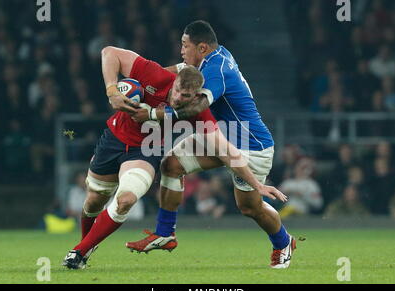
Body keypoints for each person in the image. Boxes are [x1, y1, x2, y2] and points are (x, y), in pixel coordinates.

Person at [62, 46, 287, 269]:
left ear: (197, 96)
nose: (178, 98)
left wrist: (258, 184)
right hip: (112, 141)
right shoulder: (155, 74)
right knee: (95, 200)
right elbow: (109, 52)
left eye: (186, 96)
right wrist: (112, 90)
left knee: (126, 200)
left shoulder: (200, 105)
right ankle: (156, 235)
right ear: (174, 79)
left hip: (148, 151)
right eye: (178, 90)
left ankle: (79, 252)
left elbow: (227, 151)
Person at [126, 20, 296, 269]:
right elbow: (177, 69)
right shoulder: (213, 56)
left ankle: (283, 242)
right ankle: (165, 234)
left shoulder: (216, 71)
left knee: (249, 208)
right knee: (171, 165)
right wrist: (143, 81)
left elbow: (197, 107)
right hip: (219, 136)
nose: (181, 49)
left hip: (250, 146)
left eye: (185, 45)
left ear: (202, 47)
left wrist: (152, 114)